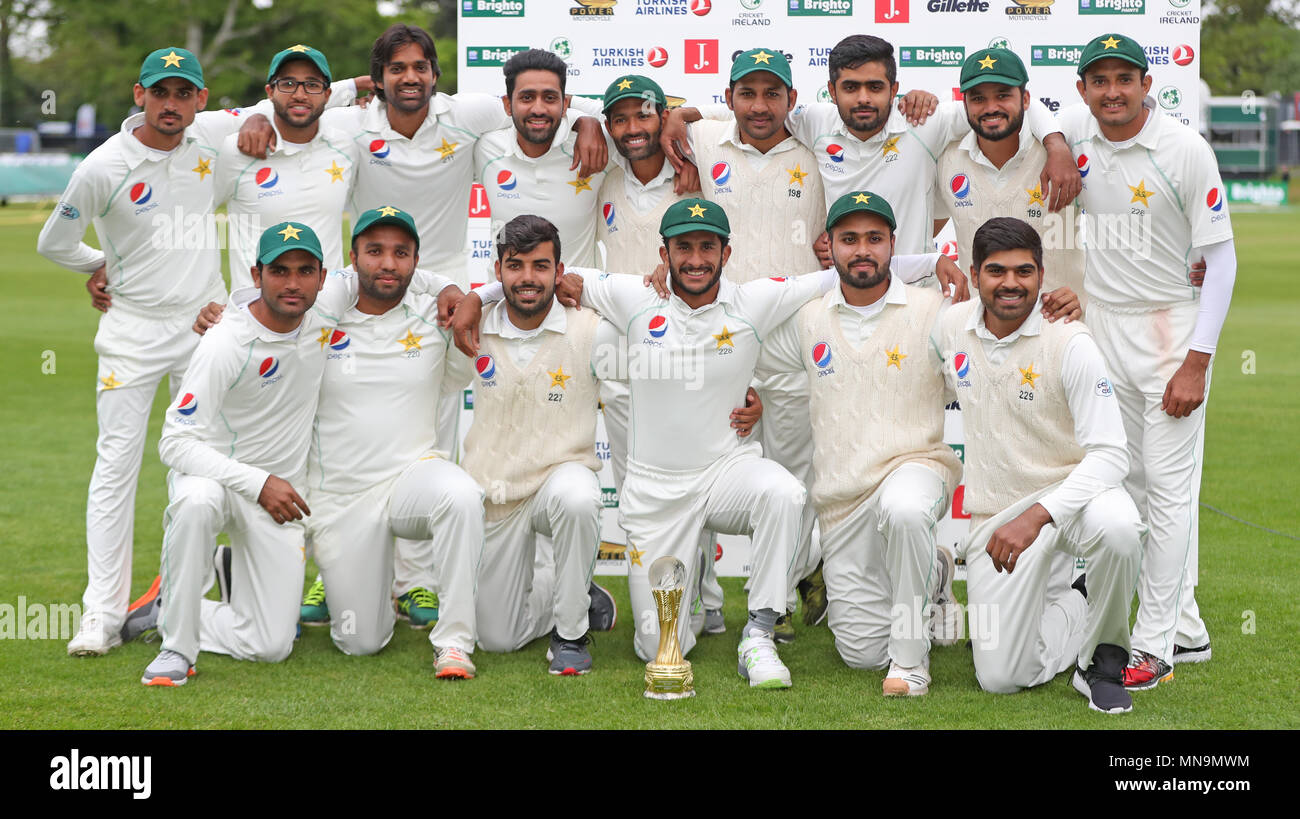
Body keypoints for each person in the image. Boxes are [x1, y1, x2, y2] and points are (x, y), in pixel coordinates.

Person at [235, 27, 607, 628]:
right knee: (333, 424)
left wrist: (588, 122)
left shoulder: (463, 115)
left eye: (421, 68)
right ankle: (336, 570)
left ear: (436, 74)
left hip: (447, 298)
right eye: (396, 69)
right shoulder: (353, 124)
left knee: (428, 439)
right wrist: (260, 113)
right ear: (378, 78)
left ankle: (416, 582)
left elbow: (546, 99)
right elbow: (297, 102)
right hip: (368, 288)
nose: (411, 78)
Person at [34, 46, 355, 657]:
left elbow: (306, 93)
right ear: (140, 95)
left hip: (203, 328)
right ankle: (100, 614)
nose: (172, 104)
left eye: (185, 93)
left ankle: (180, 594)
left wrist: (274, 110)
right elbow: (56, 241)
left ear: (202, 100)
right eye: (161, 93)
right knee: (116, 469)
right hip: (130, 333)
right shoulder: (103, 166)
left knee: (202, 467)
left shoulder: (213, 136)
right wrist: (100, 265)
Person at [556, 199, 903, 689]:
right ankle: (691, 585)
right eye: (683, 248)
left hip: (725, 472)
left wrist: (934, 262)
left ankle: (758, 632)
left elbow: (848, 272)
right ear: (665, 253)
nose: (695, 259)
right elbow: (553, 276)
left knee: (782, 492)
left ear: (726, 252)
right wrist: (475, 298)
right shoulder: (633, 297)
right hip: (656, 490)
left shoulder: (753, 301)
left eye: (706, 247)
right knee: (656, 646)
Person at [1057, 34, 1236, 690]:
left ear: (1145, 83)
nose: (1111, 92)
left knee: (1167, 491)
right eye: (1097, 80)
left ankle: (1156, 643)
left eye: (1122, 79)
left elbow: (1221, 260)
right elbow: (1047, 124)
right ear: (1083, 90)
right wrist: (1053, 149)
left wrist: (1197, 361)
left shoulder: (1183, 150)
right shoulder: (1077, 130)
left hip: (1167, 328)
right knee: (1123, 485)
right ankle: (1186, 628)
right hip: (1104, 326)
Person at [756, 191, 963, 696]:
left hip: (915, 469)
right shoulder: (807, 319)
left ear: (894, 245)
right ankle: (932, 572)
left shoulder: (935, 311)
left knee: (907, 511)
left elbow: (987, 369)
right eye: (849, 240)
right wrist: (745, 391)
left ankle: (911, 664)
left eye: (875, 238)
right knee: (861, 655)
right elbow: (748, 358)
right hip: (842, 503)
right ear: (828, 247)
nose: (863, 250)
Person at [937, 217, 1142, 713]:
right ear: (974, 273)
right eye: (996, 271)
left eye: (1024, 271)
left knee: (1120, 527)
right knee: (1001, 678)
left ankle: (1105, 659)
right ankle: (1080, 595)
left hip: (1073, 497)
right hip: (1000, 514)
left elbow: (1113, 454)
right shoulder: (948, 328)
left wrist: (1039, 516)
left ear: (1042, 274)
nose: (1011, 283)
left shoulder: (1070, 341)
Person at [664, 35, 1080, 262]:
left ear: (895, 90)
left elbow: (1016, 102)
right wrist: (682, 115)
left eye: (875, 87)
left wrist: (1056, 145)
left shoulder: (924, 122)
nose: (863, 98)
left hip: (914, 286)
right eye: (850, 87)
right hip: (842, 284)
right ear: (831, 91)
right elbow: (751, 110)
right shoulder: (814, 121)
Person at [140, 223, 331, 685]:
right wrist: (257, 482)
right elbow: (175, 442)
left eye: (305, 271)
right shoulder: (224, 341)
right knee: (196, 502)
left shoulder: (326, 315)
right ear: (256, 274)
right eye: (279, 270)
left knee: (270, 646)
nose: (292, 283)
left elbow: (387, 274)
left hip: (280, 494)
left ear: (323, 278)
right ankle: (176, 647)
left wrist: (466, 292)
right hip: (218, 479)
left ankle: (174, 608)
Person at [933, 48, 1086, 307]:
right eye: (979, 98)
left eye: (1003, 96)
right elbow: (924, 230)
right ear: (964, 103)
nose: (991, 108)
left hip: (1058, 322)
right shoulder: (947, 160)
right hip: (980, 326)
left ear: (1026, 99)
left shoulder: (1063, 154)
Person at [214, 45, 358, 290]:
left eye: (312, 84)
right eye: (288, 84)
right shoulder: (236, 150)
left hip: (327, 318)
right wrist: (211, 297)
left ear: (327, 94)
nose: (299, 94)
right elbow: (194, 214)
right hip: (255, 318)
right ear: (270, 91)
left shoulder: (345, 147)